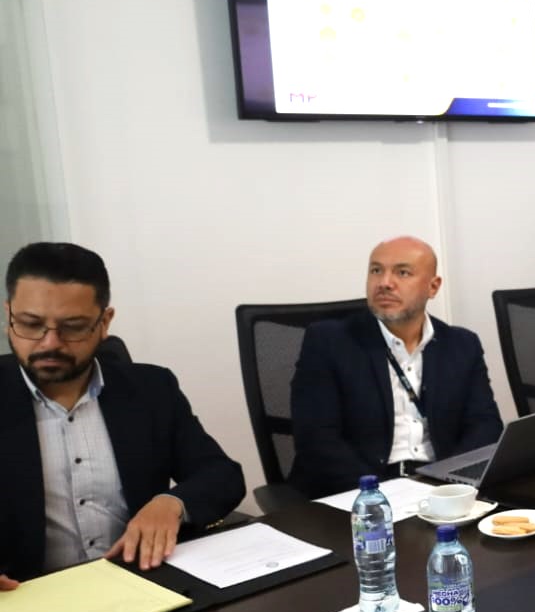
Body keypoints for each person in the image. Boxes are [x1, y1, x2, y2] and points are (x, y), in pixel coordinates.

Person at [0, 242, 245, 583]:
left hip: (141, 586)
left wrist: (171, 503)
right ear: (9, 313)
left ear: (104, 322)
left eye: (72, 326)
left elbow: (222, 475)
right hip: (26, 599)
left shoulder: (151, 388)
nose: (49, 343)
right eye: (30, 323)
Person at [288, 236, 502, 498]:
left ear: (433, 287)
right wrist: (381, 495)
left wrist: (451, 484)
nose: (385, 283)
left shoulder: (461, 344)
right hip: (359, 491)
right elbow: (316, 440)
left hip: (439, 484)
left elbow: (485, 425)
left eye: (402, 272)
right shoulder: (329, 341)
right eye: (376, 270)